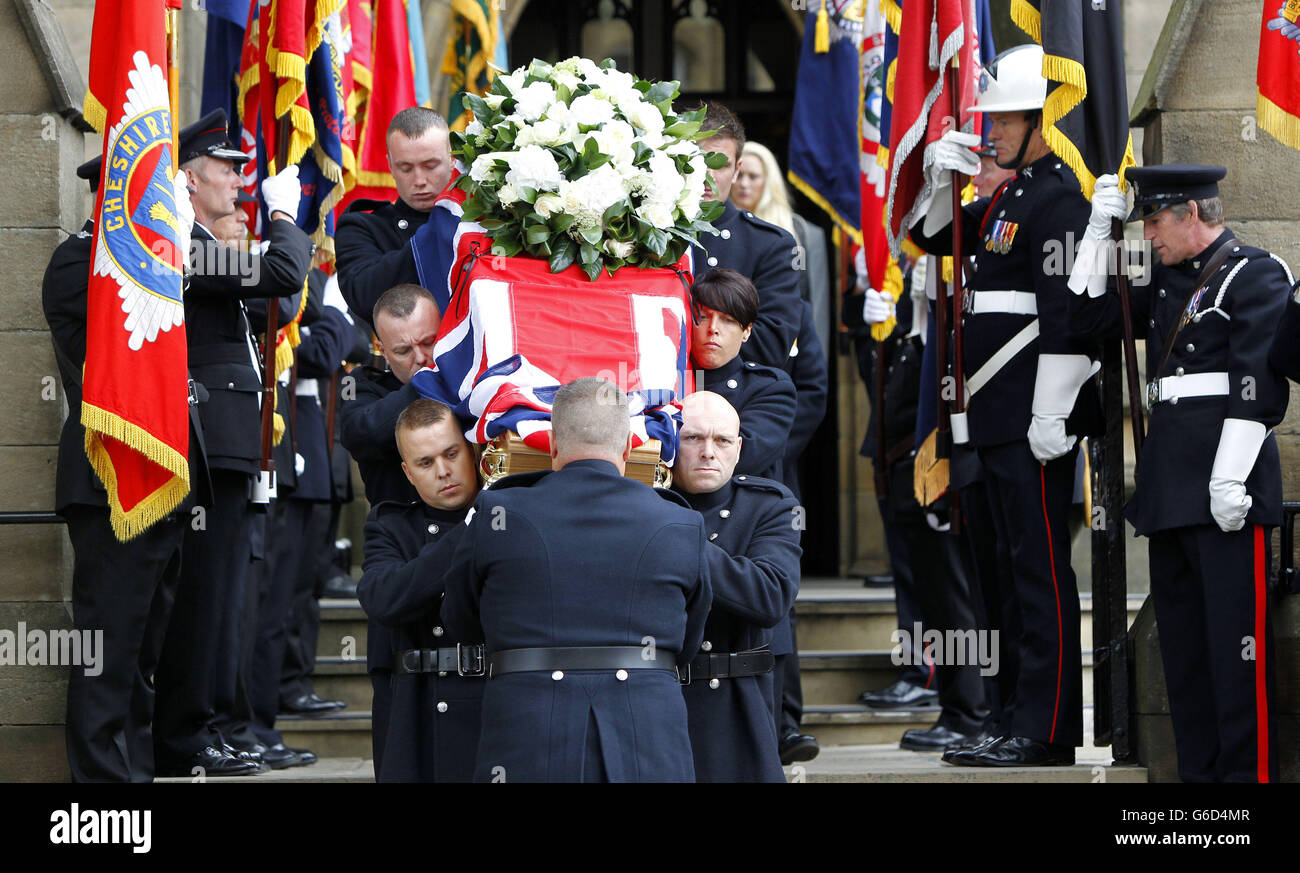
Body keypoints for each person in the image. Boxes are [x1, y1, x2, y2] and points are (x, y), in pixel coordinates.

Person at [1070, 164, 1289, 782]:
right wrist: (1094, 232)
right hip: (1170, 492)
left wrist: (1229, 479)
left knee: (1236, 656)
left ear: (1193, 213)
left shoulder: (1255, 273)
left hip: (1225, 493)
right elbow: (1086, 321)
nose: (1149, 236)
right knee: (1186, 660)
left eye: (1156, 221)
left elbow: (1257, 385)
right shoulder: (1165, 282)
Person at [910, 45, 1097, 767]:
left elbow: (1067, 316)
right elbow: (930, 236)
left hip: (1030, 422)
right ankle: (1009, 713)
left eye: (1003, 121)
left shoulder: (1057, 200)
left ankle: (1046, 728)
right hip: (989, 420)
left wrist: (1051, 411)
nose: (989, 133)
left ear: (1040, 122)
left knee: (1038, 574)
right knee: (997, 575)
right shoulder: (1005, 199)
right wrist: (936, 180)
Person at [441, 378, 711, 782]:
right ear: (627, 448)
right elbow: (689, 640)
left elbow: (460, 618)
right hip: (647, 735)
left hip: (525, 732)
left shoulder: (497, 514)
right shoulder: (680, 521)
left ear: (551, 445)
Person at [152, 109, 313, 777]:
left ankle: (209, 724)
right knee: (202, 595)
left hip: (231, 439)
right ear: (189, 179)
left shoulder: (198, 240)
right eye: (226, 168)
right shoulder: (180, 243)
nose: (239, 180)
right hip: (208, 440)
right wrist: (284, 218)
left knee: (222, 598)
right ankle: (185, 735)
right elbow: (282, 271)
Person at [43, 156, 207, 782]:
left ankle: (133, 778)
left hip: (163, 472)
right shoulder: (78, 261)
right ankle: (104, 795)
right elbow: (119, 344)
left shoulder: (147, 261)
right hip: (111, 471)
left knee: (142, 650)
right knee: (107, 652)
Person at [672, 392, 800, 782]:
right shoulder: (643, 500)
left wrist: (673, 539)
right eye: (693, 438)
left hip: (734, 702)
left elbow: (770, 595)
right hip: (656, 700)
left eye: (722, 441)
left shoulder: (770, 505)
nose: (708, 452)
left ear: (738, 448)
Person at [337, 283, 439, 772]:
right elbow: (366, 429)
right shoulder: (364, 387)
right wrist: (434, 379)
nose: (421, 357)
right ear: (380, 347)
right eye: (404, 350)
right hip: (400, 554)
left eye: (431, 342)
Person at [356, 398, 484, 781]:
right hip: (416, 711)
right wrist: (468, 532)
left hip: (492, 705)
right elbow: (384, 599)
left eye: (451, 453)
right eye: (426, 463)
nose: (444, 471)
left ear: (472, 450)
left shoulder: (510, 519)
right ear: (408, 473)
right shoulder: (390, 525)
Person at [692, 103, 804, 373]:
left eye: (720, 164)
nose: (707, 177)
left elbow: (772, 346)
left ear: (737, 170)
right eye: (697, 162)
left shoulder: (771, 244)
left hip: (729, 401)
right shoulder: (645, 233)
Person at [336, 108, 452, 327]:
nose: (419, 180)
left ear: (452, 158)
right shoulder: (362, 227)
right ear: (390, 165)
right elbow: (365, 297)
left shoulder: (481, 216)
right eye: (406, 168)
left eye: (430, 166)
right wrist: (445, 219)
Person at [689, 269, 796, 479]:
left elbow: (740, 457)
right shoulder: (670, 381)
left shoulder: (771, 389)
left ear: (747, 331)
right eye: (703, 317)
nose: (713, 329)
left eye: (727, 319)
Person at [732, 141, 832, 353]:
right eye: (739, 175)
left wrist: (815, 356)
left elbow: (814, 302)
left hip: (786, 349)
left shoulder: (801, 232)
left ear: (768, 181)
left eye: (753, 176)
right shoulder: (713, 229)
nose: (744, 184)